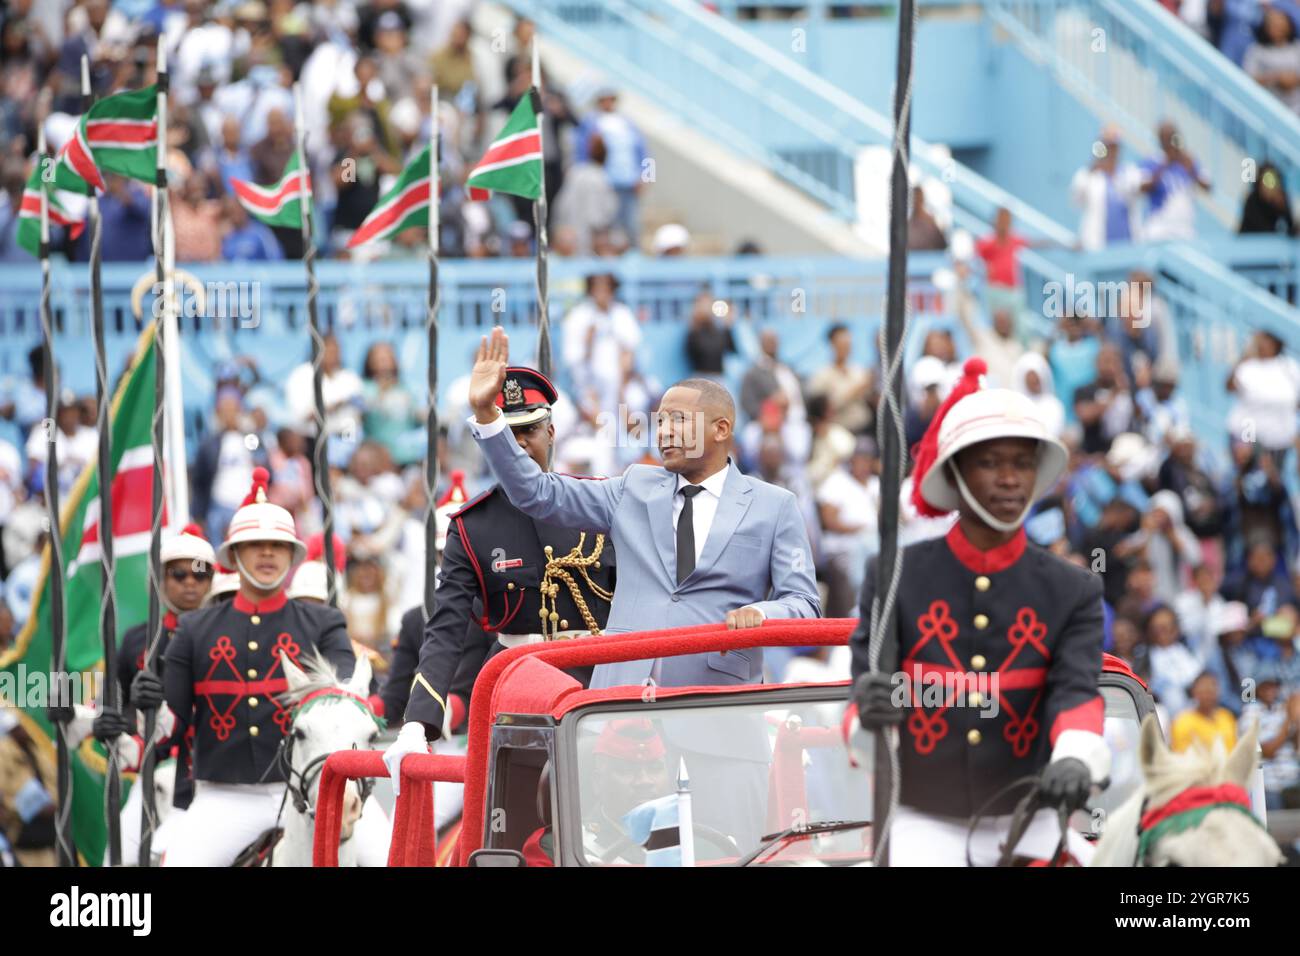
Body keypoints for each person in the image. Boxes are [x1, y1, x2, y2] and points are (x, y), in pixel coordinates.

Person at [850, 358, 1109, 866]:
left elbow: (1075, 691)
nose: (1011, 479)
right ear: (955, 473)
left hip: (1032, 817)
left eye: (1022, 462)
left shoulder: (1073, 588)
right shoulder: (894, 574)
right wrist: (870, 710)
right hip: (923, 820)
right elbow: (863, 700)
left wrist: (1076, 756)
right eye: (991, 463)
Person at [466, 326, 820, 691]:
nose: (664, 432)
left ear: (721, 429)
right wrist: (486, 417)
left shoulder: (774, 506)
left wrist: (763, 613)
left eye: (678, 420)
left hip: (720, 705)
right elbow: (535, 492)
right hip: (622, 704)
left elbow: (805, 603)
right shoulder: (632, 487)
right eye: (660, 421)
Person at [382, 368, 618, 786]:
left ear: (552, 432)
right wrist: (419, 722)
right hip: (517, 687)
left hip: (601, 684)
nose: (520, 444)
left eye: (529, 430)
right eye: (508, 434)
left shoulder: (597, 503)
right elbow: (446, 628)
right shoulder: (473, 526)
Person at [159, 468, 355, 866]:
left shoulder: (324, 623)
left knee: (390, 853)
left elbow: (349, 698)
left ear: (292, 555)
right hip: (224, 798)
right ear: (233, 555)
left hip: (314, 793)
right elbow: (169, 722)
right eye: (255, 545)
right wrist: (143, 708)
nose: (267, 553)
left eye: (278, 545)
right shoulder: (194, 629)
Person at [1069, 126, 1142, 250]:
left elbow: (1140, 188)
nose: (1111, 151)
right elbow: (1076, 200)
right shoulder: (1088, 174)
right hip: (1097, 246)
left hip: (1128, 245)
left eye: (1114, 147)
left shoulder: (1129, 172)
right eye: (1107, 146)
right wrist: (1094, 166)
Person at [1139, 121, 1210, 241]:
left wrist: (1192, 169)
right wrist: (1165, 163)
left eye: (1172, 136)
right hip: (1159, 225)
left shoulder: (1188, 159)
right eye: (1165, 138)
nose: (1169, 141)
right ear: (1160, 139)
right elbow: (1143, 188)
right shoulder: (1153, 160)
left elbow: (1208, 187)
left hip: (1185, 226)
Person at [1170, 672, 1237, 754]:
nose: (1208, 695)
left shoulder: (1226, 716)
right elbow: (1181, 755)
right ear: (1194, 692)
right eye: (1204, 690)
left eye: (1211, 690)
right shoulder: (1183, 721)